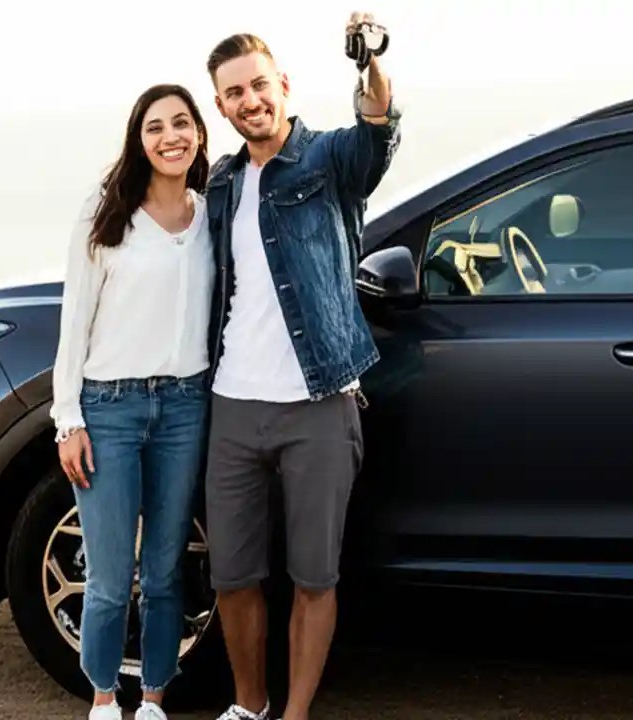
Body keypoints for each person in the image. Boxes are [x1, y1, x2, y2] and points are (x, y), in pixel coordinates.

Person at [200, 12, 401, 720]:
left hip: (319, 402)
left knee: (314, 575)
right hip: (232, 405)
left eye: (259, 85)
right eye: (234, 94)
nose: (250, 100)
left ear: (282, 84)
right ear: (222, 107)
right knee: (232, 576)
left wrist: (369, 63)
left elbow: (379, 128)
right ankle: (249, 707)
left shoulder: (327, 160)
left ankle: (294, 715)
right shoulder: (221, 185)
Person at [50, 83, 214, 720]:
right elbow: (74, 323)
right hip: (109, 409)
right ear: (138, 140)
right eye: (155, 127)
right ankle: (101, 698)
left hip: (185, 407)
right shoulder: (106, 213)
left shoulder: (210, 215)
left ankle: (151, 699)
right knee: (112, 579)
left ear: (199, 133)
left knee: (168, 569)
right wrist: (69, 419)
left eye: (181, 123)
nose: (170, 136)